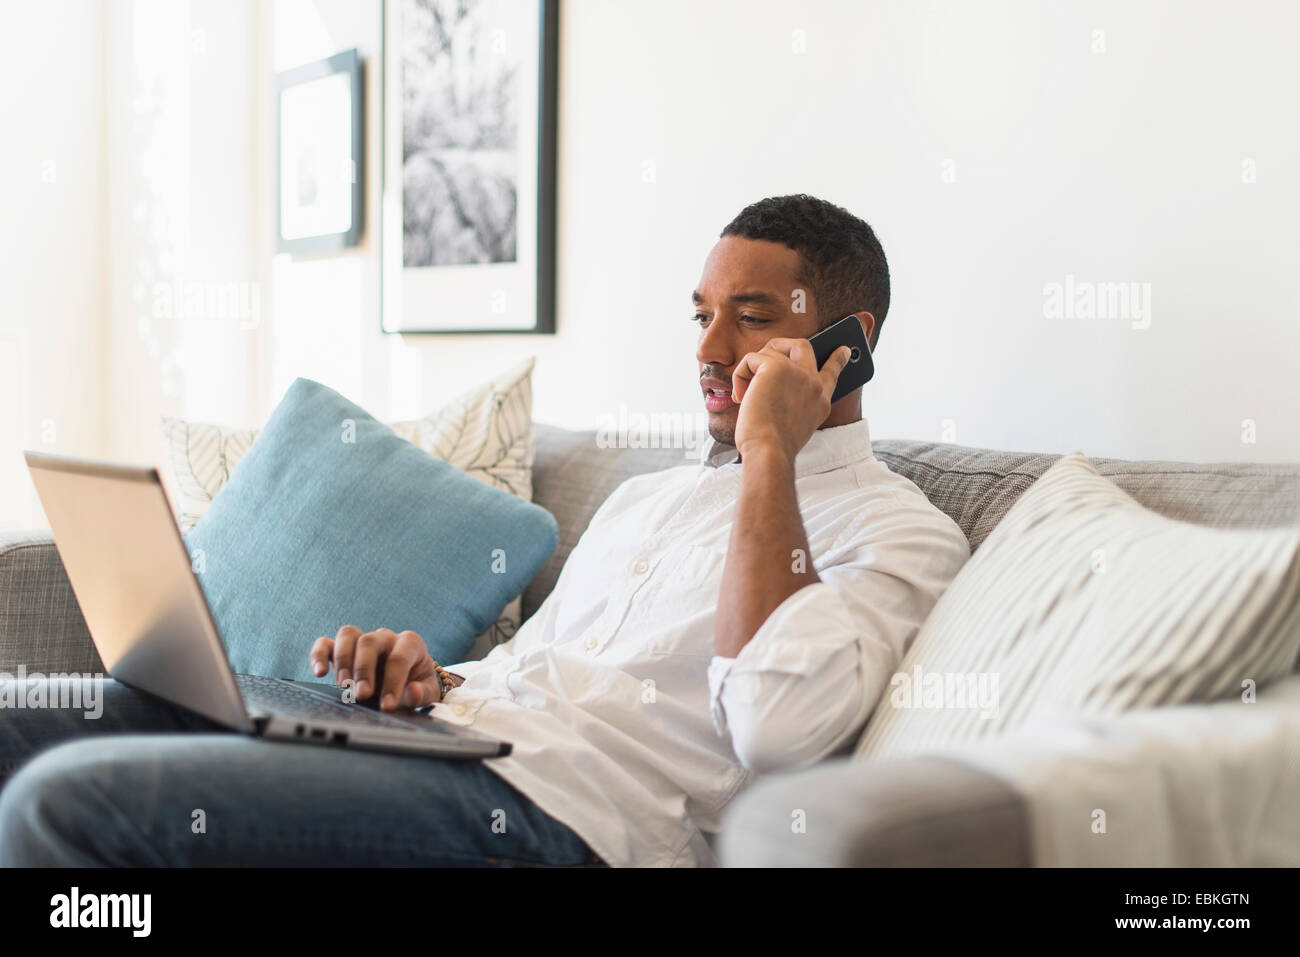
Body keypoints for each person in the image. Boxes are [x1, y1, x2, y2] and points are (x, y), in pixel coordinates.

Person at [0, 194, 969, 867]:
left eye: (750, 320)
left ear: (849, 347)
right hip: (438, 744)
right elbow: (539, 668)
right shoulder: (652, 498)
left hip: (561, 820)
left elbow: (772, 726)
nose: (709, 352)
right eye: (702, 316)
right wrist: (429, 679)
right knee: (17, 726)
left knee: (70, 802)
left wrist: (769, 455)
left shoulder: (900, 534)